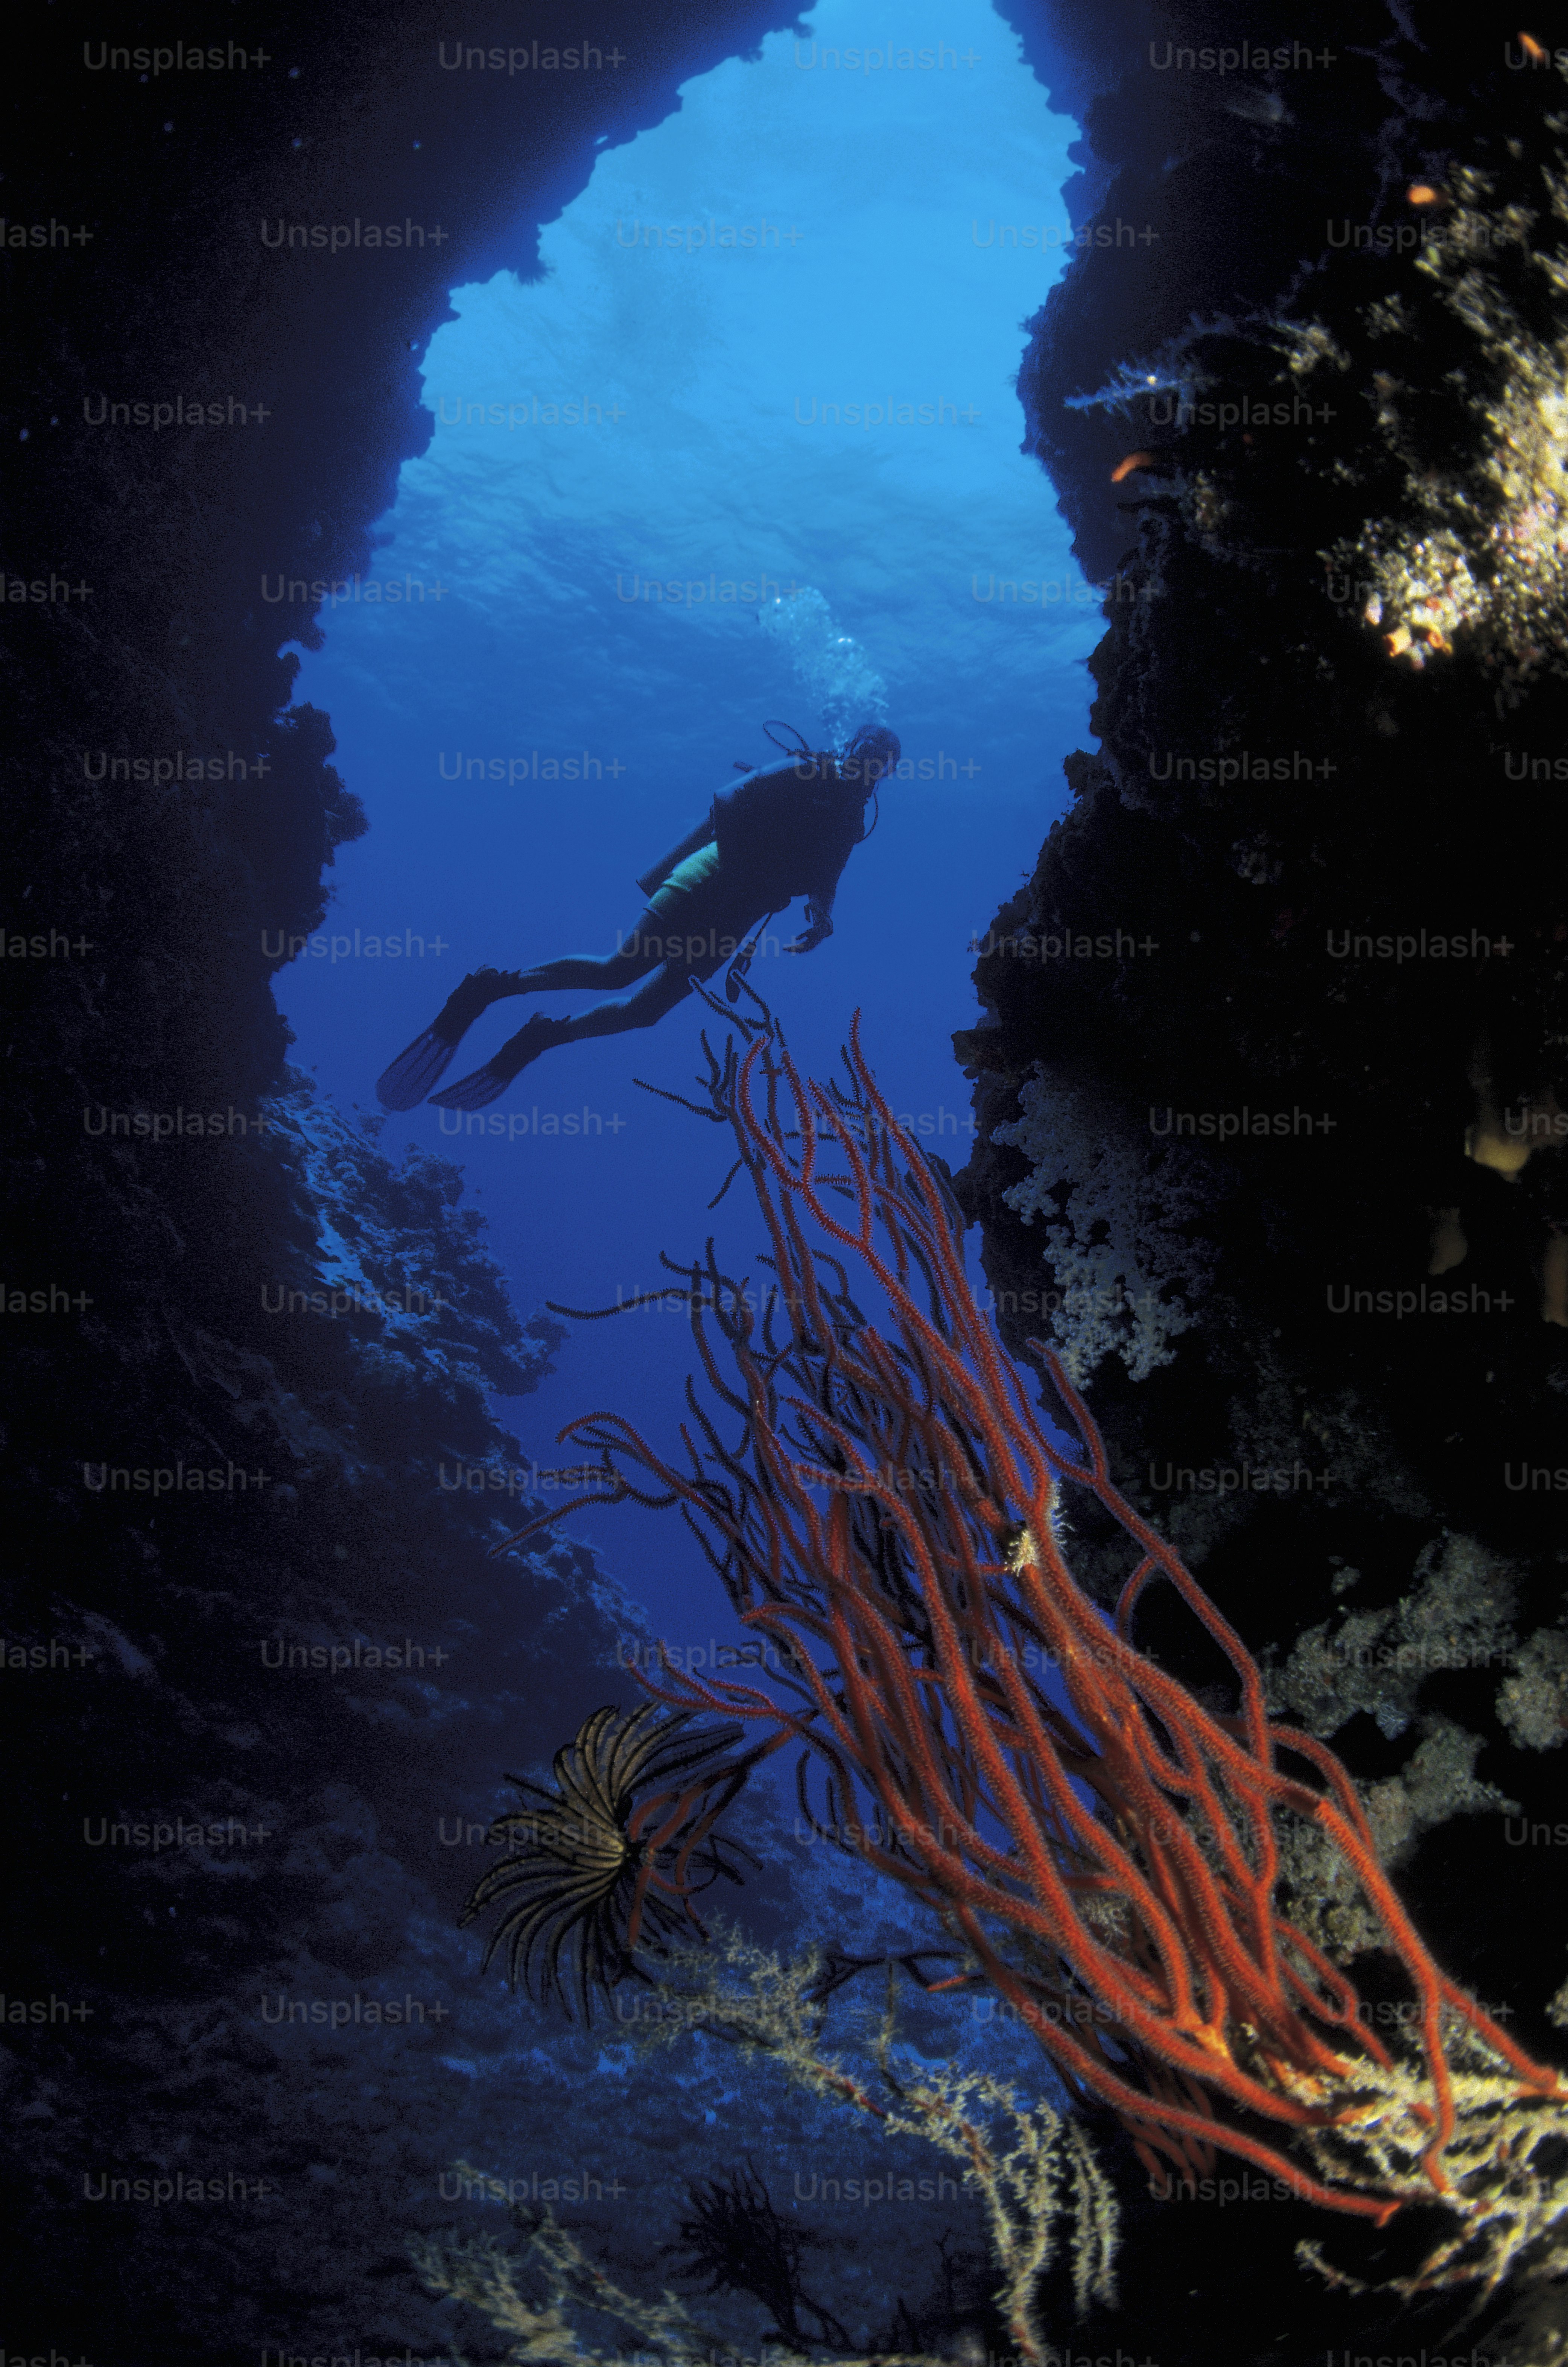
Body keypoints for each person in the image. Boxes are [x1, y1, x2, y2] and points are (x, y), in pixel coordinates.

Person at [375, 722, 901, 1113]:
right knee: (617, 971)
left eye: (882, 763)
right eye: (868, 752)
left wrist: (822, 915)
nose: (871, 765)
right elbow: (727, 800)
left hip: (740, 915)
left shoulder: (853, 820)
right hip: (708, 880)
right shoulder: (804, 771)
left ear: (887, 773)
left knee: (647, 1011)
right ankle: (489, 988)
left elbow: (829, 874)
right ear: (850, 746)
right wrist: (743, 872)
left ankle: (543, 1037)